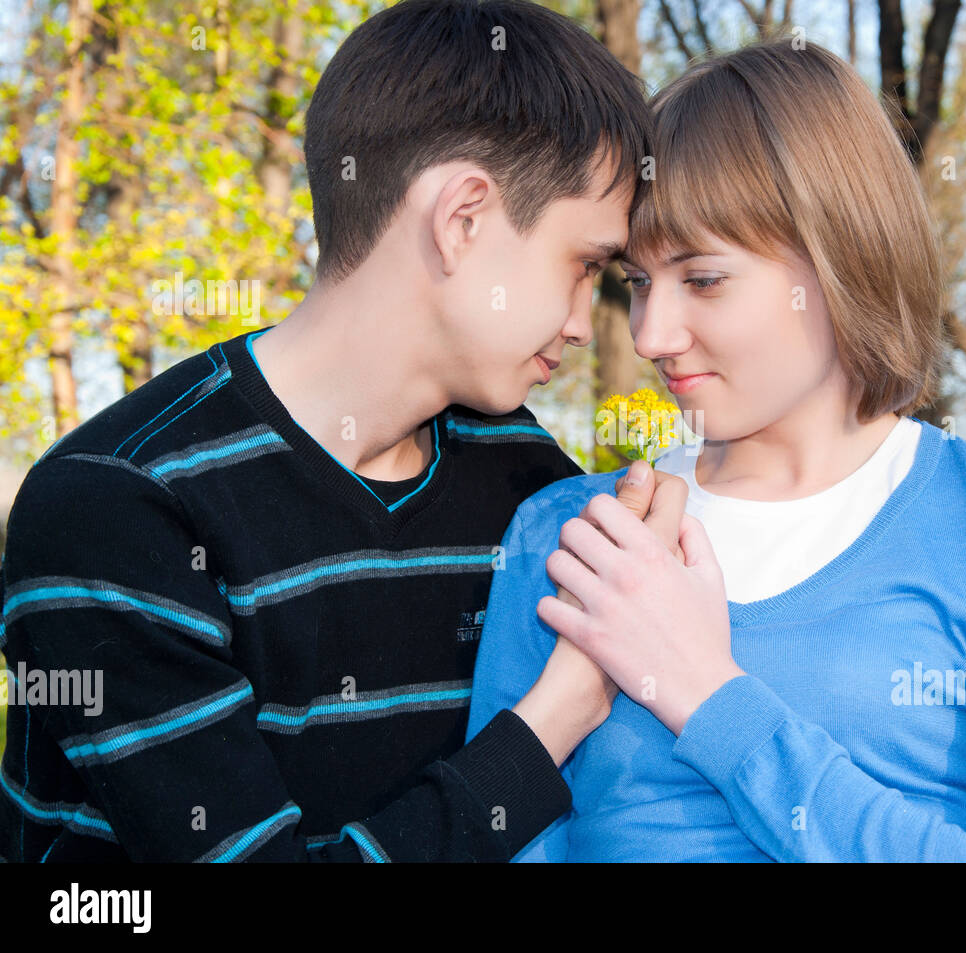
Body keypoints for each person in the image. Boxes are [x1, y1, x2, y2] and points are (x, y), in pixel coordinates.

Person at [465, 37, 966, 862]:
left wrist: (709, 694)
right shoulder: (566, 533)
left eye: (703, 279)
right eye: (639, 283)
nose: (653, 334)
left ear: (841, 259)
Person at [0, 0, 675, 863]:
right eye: (584, 266)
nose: (588, 321)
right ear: (462, 219)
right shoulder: (118, 505)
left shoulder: (528, 482)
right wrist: (559, 711)